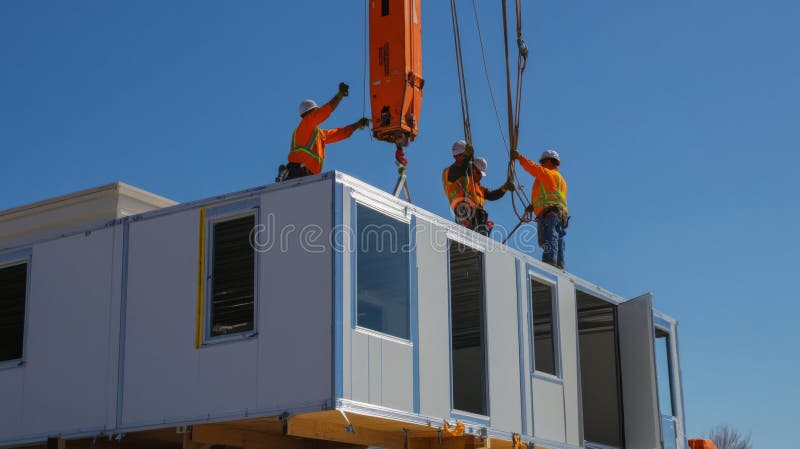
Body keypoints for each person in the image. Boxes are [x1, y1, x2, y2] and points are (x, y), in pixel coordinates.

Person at [279, 82, 370, 181]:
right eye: (315, 111)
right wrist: (339, 95)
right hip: (298, 172)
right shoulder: (305, 125)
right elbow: (324, 112)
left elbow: (339, 133)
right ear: (309, 113)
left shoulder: (318, 133)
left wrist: (357, 125)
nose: (316, 113)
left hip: (307, 175)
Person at [510, 148, 568, 269]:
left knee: (549, 236)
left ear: (550, 162)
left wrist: (519, 157)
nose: (541, 164)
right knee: (558, 238)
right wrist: (533, 206)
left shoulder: (546, 173)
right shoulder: (560, 179)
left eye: (543, 161)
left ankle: (549, 260)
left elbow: (532, 167)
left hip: (550, 213)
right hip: (561, 215)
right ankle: (559, 264)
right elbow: (550, 194)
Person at [442, 140, 514, 235]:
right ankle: (470, 228)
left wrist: (504, 188)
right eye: (478, 173)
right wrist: (468, 159)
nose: (480, 176)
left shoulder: (477, 187)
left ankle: (483, 232)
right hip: (462, 211)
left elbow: (492, 195)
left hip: (475, 215)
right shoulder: (452, 172)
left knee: (482, 214)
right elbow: (459, 172)